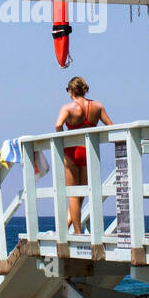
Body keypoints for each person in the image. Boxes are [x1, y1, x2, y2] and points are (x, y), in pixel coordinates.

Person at [54, 76, 113, 235]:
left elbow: (58, 125)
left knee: (73, 194)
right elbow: (111, 126)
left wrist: (62, 138)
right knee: (81, 193)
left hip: (71, 151)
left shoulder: (68, 108)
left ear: (71, 90)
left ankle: (78, 232)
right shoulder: (97, 106)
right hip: (88, 151)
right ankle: (67, 225)